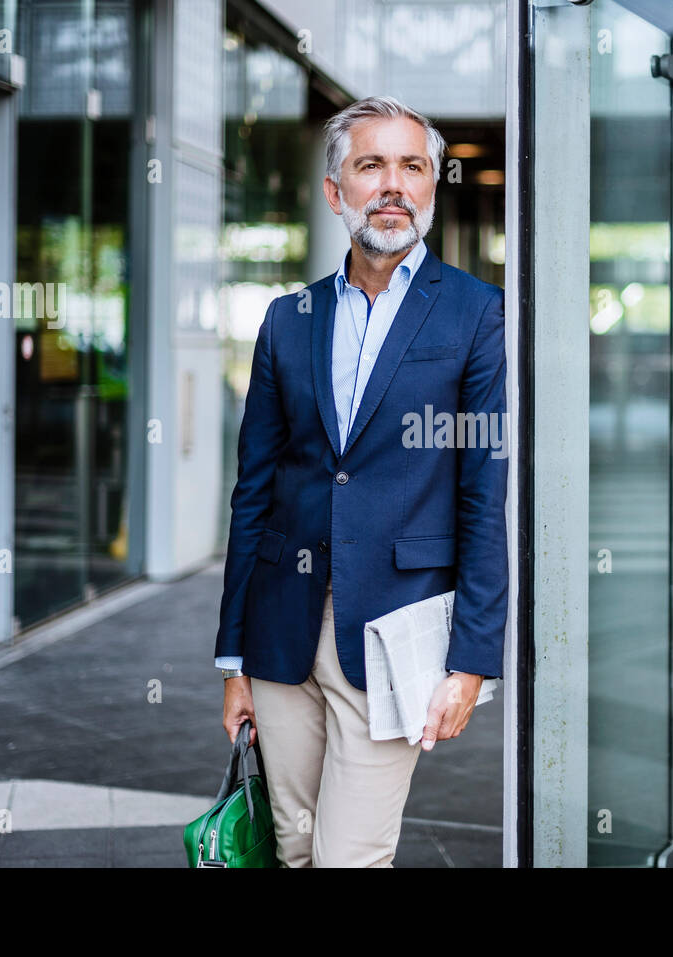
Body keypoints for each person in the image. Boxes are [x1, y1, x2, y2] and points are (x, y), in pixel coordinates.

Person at [214, 95, 508, 868]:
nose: (393, 184)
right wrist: (233, 660)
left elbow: (485, 495)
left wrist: (472, 662)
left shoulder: (476, 316)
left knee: (351, 857)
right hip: (280, 631)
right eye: (370, 164)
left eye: (412, 166)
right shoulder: (287, 319)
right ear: (335, 190)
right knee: (293, 846)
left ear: (432, 187)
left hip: (394, 633)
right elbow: (255, 490)